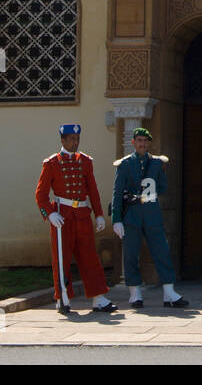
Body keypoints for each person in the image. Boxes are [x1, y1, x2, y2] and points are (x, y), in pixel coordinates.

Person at [35, 124, 116, 314]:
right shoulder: (52, 163)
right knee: (61, 258)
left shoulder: (85, 161)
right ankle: (62, 297)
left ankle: (99, 297)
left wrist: (98, 214)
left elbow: (93, 190)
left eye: (77, 138)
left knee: (90, 257)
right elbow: (41, 195)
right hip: (62, 215)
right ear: (62, 140)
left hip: (82, 214)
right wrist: (50, 214)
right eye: (71, 138)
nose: (75, 142)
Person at [112, 127, 187, 308]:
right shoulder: (125, 164)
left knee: (161, 249)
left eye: (145, 141)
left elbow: (162, 186)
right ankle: (134, 293)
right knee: (131, 252)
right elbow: (117, 192)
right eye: (139, 141)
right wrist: (116, 219)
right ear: (133, 142)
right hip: (131, 213)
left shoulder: (156, 163)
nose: (142, 144)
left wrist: (149, 192)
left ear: (149, 143)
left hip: (152, 211)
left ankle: (169, 292)